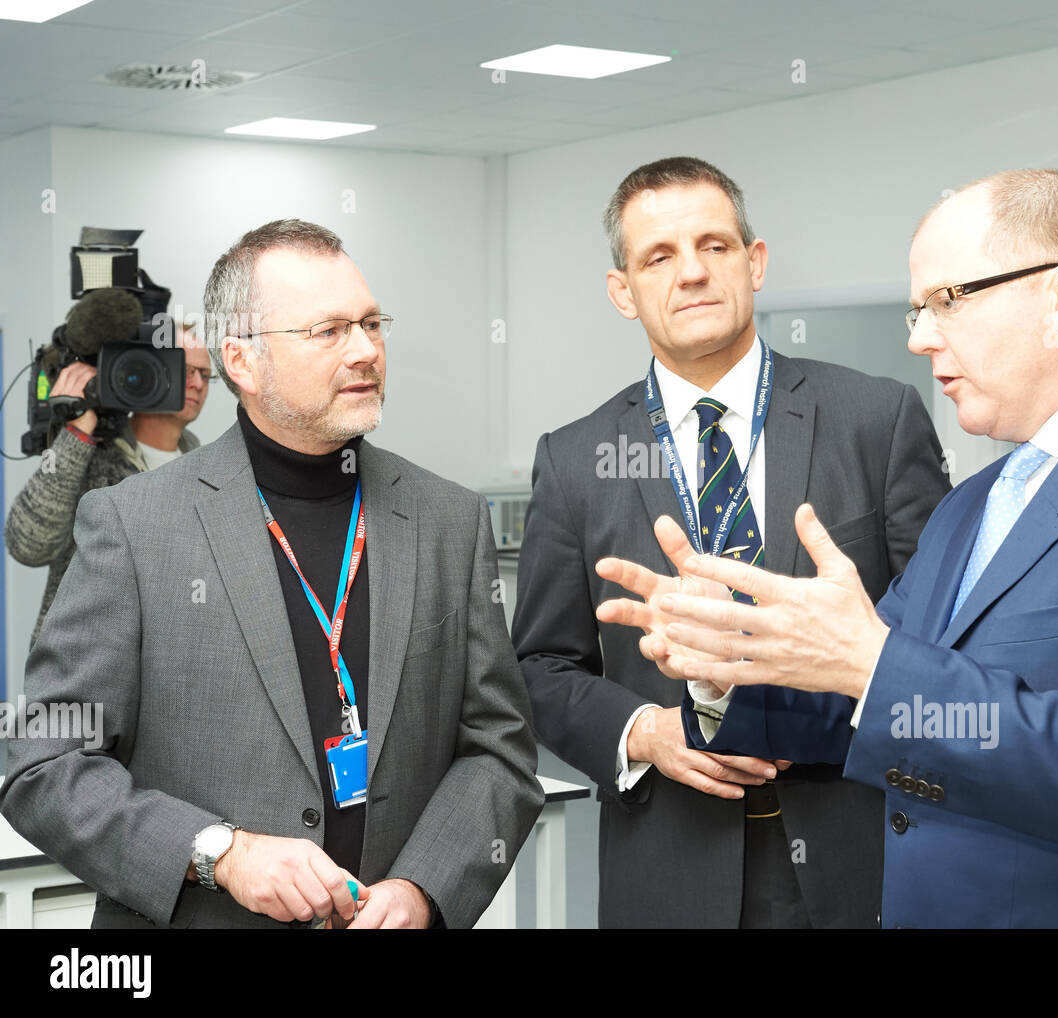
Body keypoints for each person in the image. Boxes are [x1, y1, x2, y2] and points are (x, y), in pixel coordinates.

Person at [599, 169, 1058, 928]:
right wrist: (727, 666)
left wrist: (872, 663)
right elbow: (863, 704)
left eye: (946, 301)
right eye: (917, 307)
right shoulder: (974, 502)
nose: (918, 334)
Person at [0, 219, 543, 929]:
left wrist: (423, 890)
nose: (366, 351)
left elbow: (498, 750)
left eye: (372, 324)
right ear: (243, 362)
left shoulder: (449, 521)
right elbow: (43, 763)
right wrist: (218, 853)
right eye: (327, 332)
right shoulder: (134, 526)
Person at [512, 156, 949, 928]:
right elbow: (542, 667)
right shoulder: (576, 458)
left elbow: (943, 639)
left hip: (859, 856)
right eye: (659, 256)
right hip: (670, 871)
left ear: (754, 263)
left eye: (714, 246)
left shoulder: (876, 419)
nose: (692, 274)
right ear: (624, 291)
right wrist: (642, 730)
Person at [5, 325, 211, 646]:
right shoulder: (91, 455)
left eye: (204, 374)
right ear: (145, 370)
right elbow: (28, 545)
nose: (197, 383)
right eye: (185, 370)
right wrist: (76, 433)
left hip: (169, 668)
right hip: (78, 667)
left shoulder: (206, 467)